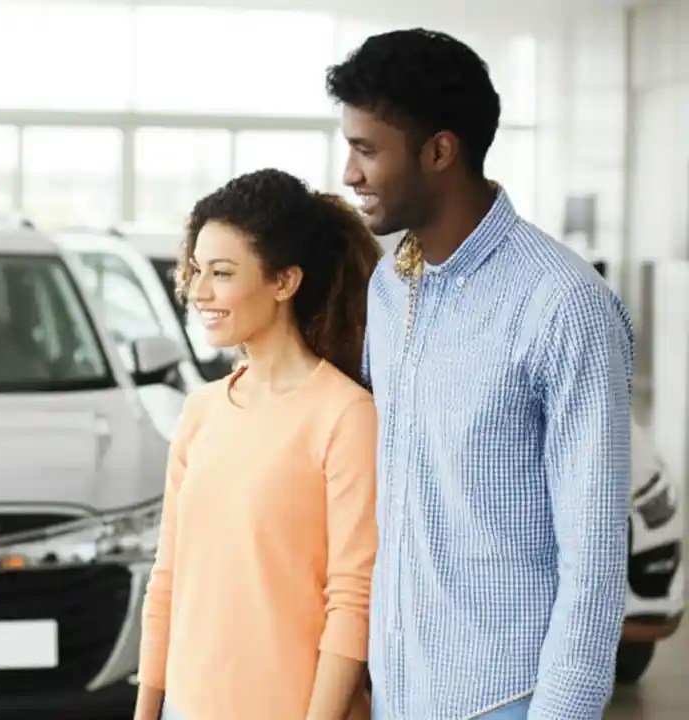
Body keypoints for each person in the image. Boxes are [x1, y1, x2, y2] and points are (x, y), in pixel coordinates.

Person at [327, 29, 634, 719]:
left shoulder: (563, 305)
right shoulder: (389, 288)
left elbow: (595, 555)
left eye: (366, 149)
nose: (349, 174)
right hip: (402, 691)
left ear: (440, 151)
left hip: (507, 698)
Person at [133, 169, 382, 720]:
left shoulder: (346, 416)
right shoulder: (200, 411)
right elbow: (169, 578)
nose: (199, 292)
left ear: (284, 282)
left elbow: (351, 601)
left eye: (221, 273)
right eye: (197, 270)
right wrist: (148, 710)